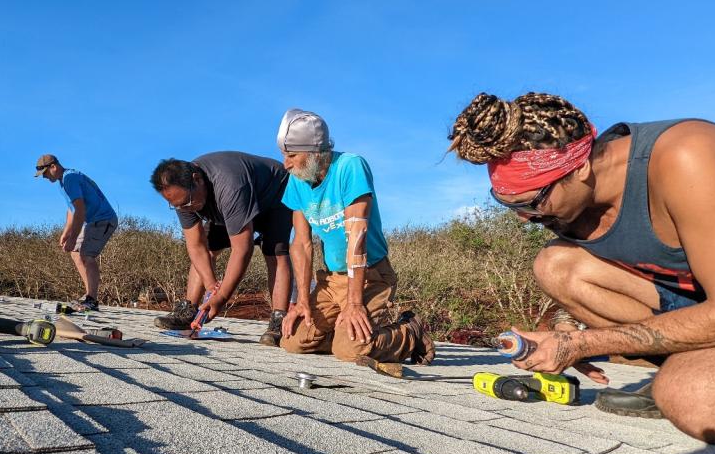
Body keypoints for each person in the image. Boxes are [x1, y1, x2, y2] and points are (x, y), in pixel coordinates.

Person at [448, 91, 715, 451]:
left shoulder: (689, 157)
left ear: (579, 168)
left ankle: (707, 382)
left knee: (694, 399)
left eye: (531, 202)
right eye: (506, 203)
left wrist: (583, 345)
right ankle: (707, 370)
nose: (523, 218)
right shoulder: (565, 204)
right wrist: (568, 329)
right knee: (556, 265)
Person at [277, 109, 434, 367]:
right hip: (332, 280)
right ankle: (340, 337)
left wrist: (354, 302)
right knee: (293, 340)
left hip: (370, 276)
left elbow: (356, 238)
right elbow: (301, 244)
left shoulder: (350, 166)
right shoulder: (298, 180)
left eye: (292, 155)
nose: (286, 164)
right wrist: (302, 301)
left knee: (352, 349)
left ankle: (410, 332)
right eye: (284, 155)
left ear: (315, 151)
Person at [149, 152, 293, 345]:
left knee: (274, 253)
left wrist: (222, 296)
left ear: (197, 179)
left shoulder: (230, 186)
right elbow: (196, 246)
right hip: (231, 202)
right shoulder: (183, 199)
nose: (185, 209)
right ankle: (187, 311)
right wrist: (211, 285)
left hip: (275, 196)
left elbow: (242, 249)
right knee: (209, 249)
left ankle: (278, 321)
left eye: (187, 203)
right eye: (177, 206)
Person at [35, 154, 118, 311]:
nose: (44, 177)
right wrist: (66, 233)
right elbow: (72, 210)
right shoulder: (62, 181)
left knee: (87, 255)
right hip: (90, 221)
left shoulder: (70, 178)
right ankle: (88, 296)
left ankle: (92, 299)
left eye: (45, 173)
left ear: (53, 167)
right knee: (75, 253)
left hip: (103, 219)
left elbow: (80, 210)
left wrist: (73, 238)